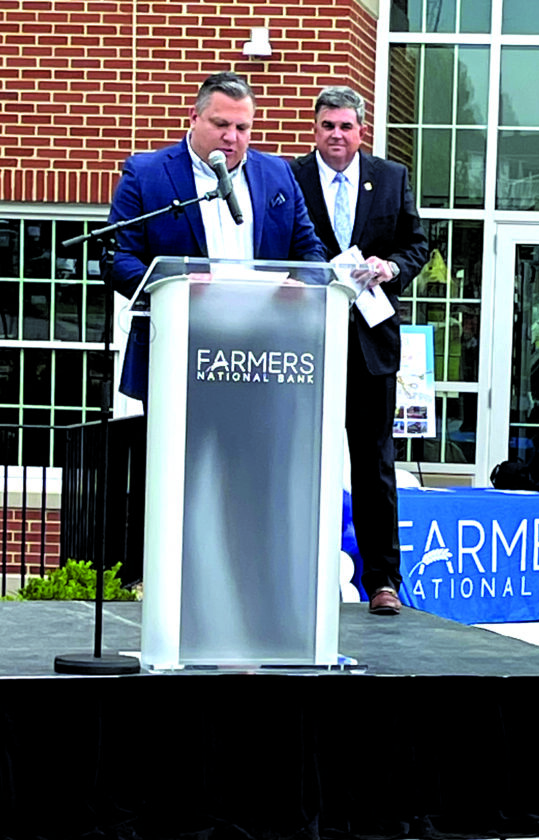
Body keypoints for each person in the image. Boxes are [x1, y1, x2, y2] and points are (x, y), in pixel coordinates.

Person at [291, 86, 428, 616]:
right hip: (305, 343)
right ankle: (298, 573)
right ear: (315, 127)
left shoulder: (391, 179)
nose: (336, 135)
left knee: (374, 467)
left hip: (371, 345)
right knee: (300, 461)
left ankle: (383, 581)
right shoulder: (291, 178)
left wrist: (392, 269)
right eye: (327, 125)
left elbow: (416, 242)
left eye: (346, 126)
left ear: (360, 129)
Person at [107, 71, 325, 402]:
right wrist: (175, 287)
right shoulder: (147, 174)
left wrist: (303, 285)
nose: (232, 138)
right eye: (221, 125)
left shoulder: (278, 173)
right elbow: (118, 258)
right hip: (178, 347)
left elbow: (310, 250)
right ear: (194, 117)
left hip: (263, 352)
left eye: (242, 128)